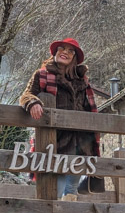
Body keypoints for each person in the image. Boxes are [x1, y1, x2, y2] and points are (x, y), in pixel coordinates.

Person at [19, 38, 100, 200]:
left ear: (75, 58)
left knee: (71, 191)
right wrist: (33, 102)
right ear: (55, 52)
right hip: (54, 141)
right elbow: (26, 95)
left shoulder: (82, 81)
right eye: (62, 48)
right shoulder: (42, 75)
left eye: (71, 51)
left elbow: (89, 108)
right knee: (55, 190)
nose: (65, 52)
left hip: (80, 143)